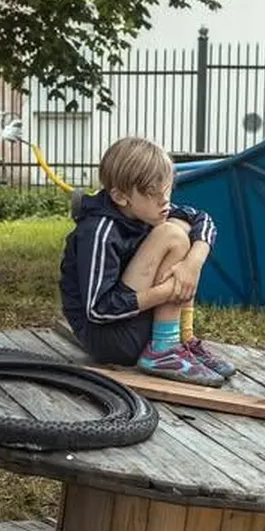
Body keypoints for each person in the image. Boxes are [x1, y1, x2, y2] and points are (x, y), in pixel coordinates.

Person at [59, 136, 234, 385]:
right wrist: (168, 291)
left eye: (168, 189)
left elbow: (203, 220)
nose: (165, 201)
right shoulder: (100, 231)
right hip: (110, 338)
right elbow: (98, 309)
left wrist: (191, 266)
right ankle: (163, 350)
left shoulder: (146, 209)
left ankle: (181, 339)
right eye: (154, 194)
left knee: (182, 225)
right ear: (121, 197)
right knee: (172, 234)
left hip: (133, 322)